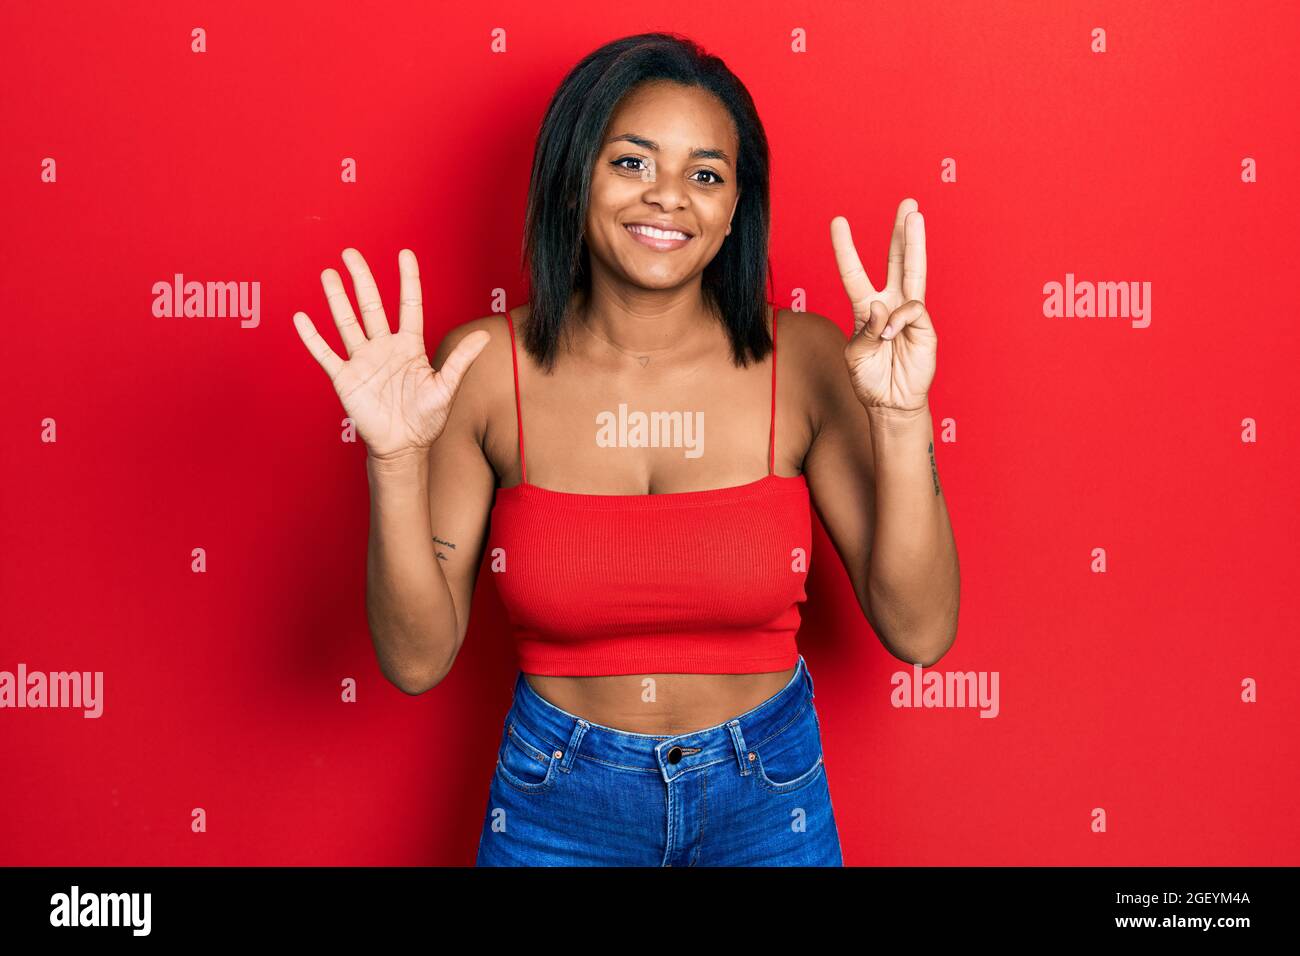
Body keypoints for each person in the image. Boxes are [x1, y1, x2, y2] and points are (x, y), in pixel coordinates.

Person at [292, 32, 959, 866]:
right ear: (574, 183)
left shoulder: (813, 359)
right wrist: (393, 460)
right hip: (555, 810)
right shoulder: (484, 369)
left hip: (769, 799)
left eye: (705, 175)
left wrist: (901, 417)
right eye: (633, 163)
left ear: (732, 216)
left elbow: (922, 631)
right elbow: (416, 662)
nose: (669, 197)